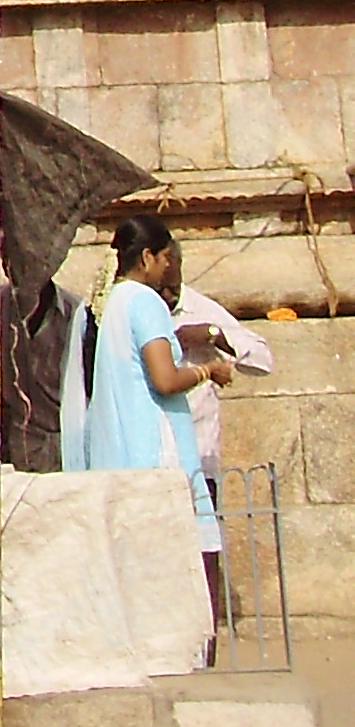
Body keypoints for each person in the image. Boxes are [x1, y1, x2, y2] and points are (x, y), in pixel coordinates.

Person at [69, 216, 230, 614]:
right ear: (146, 257)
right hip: (156, 447)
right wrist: (209, 371)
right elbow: (165, 379)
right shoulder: (144, 301)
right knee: (193, 549)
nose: (167, 268)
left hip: (122, 450)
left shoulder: (113, 302)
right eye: (164, 259)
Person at [172, 279, 273, 630]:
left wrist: (214, 335)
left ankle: (206, 642)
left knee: (203, 552)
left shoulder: (201, 308)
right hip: (152, 453)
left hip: (199, 454)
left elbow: (261, 357)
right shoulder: (131, 304)